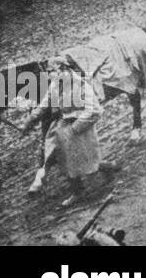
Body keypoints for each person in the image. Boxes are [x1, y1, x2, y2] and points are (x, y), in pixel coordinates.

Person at [23, 65, 113, 206]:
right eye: (48, 72)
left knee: (86, 158)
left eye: (53, 71)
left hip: (82, 127)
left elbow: (94, 110)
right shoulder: (55, 85)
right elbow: (44, 105)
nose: (50, 75)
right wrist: (30, 120)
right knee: (62, 157)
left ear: (63, 69)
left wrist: (76, 127)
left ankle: (106, 167)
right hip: (63, 126)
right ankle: (77, 191)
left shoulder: (82, 84)